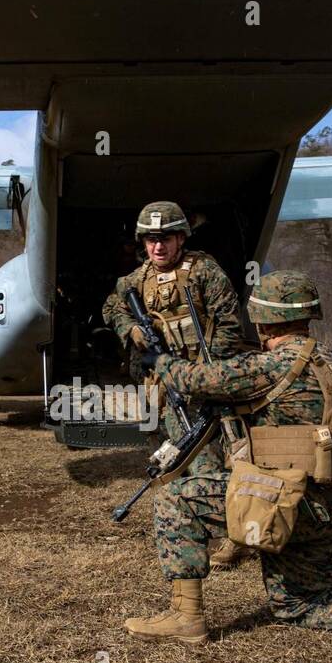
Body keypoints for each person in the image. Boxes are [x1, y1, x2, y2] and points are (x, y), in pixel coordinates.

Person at [123, 270, 332, 646]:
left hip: (282, 506)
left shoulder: (275, 365)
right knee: (301, 603)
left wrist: (158, 360)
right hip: (324, 510)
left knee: (175, 499)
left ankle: (186, 619)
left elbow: (198, 379)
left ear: (263, 321)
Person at [101, 200, 250, 566]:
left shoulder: (204, 272)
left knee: (214, 460)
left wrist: (202, 374)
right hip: (165, 389)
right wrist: (131, 329)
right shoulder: (137, 280)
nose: (158, 247)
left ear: (181, 238)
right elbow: (111, 307)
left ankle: (234, 535)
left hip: (204, 382)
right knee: (177, 457)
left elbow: (230, 327)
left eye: (166, 238)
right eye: (151, 239)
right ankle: (195, 525)